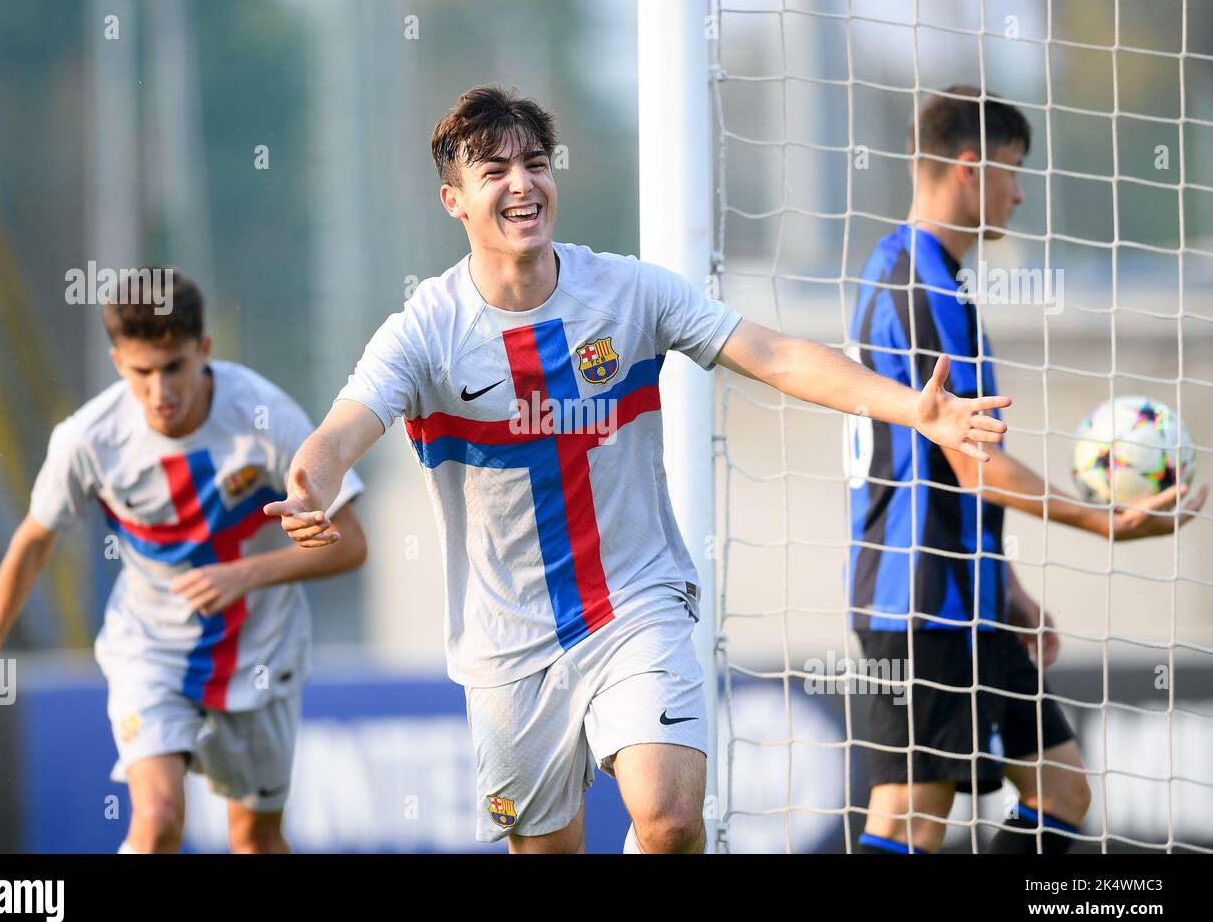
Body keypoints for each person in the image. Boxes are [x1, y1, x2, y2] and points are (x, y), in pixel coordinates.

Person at [266, 86, 1008, 854]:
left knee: (671, 815)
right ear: (454, 199)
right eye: (495, 170)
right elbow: (345, 424)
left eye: (535, 163)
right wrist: (311, 483)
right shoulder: (424, 330)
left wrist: (912, 408)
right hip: (506, 641)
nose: (522, 183)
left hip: (634, 602)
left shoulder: (628, 292)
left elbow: (777, 354)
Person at [846, 86, 1207, 854]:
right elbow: (974, 465)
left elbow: (940, 468)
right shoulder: (921, 287)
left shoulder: (921, 272)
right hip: (921, 604)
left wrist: (1003, 582)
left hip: (967, 593)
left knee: (1063, 787)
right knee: (910, 824)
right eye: (1013, 170)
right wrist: (1100, 520)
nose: (1020, 191)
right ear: (970, 167)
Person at [0, 271, 368, 853]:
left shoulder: (263, 415)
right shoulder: (87, 439)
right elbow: (34, 540)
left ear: (205, 352)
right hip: (150, 647)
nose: (159, 390)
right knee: (160, 817)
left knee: (255, 838)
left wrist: (243, 575)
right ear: (119, 362)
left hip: (259, 648)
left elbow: (351, 541)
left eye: (174, 368)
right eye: (142, 372)